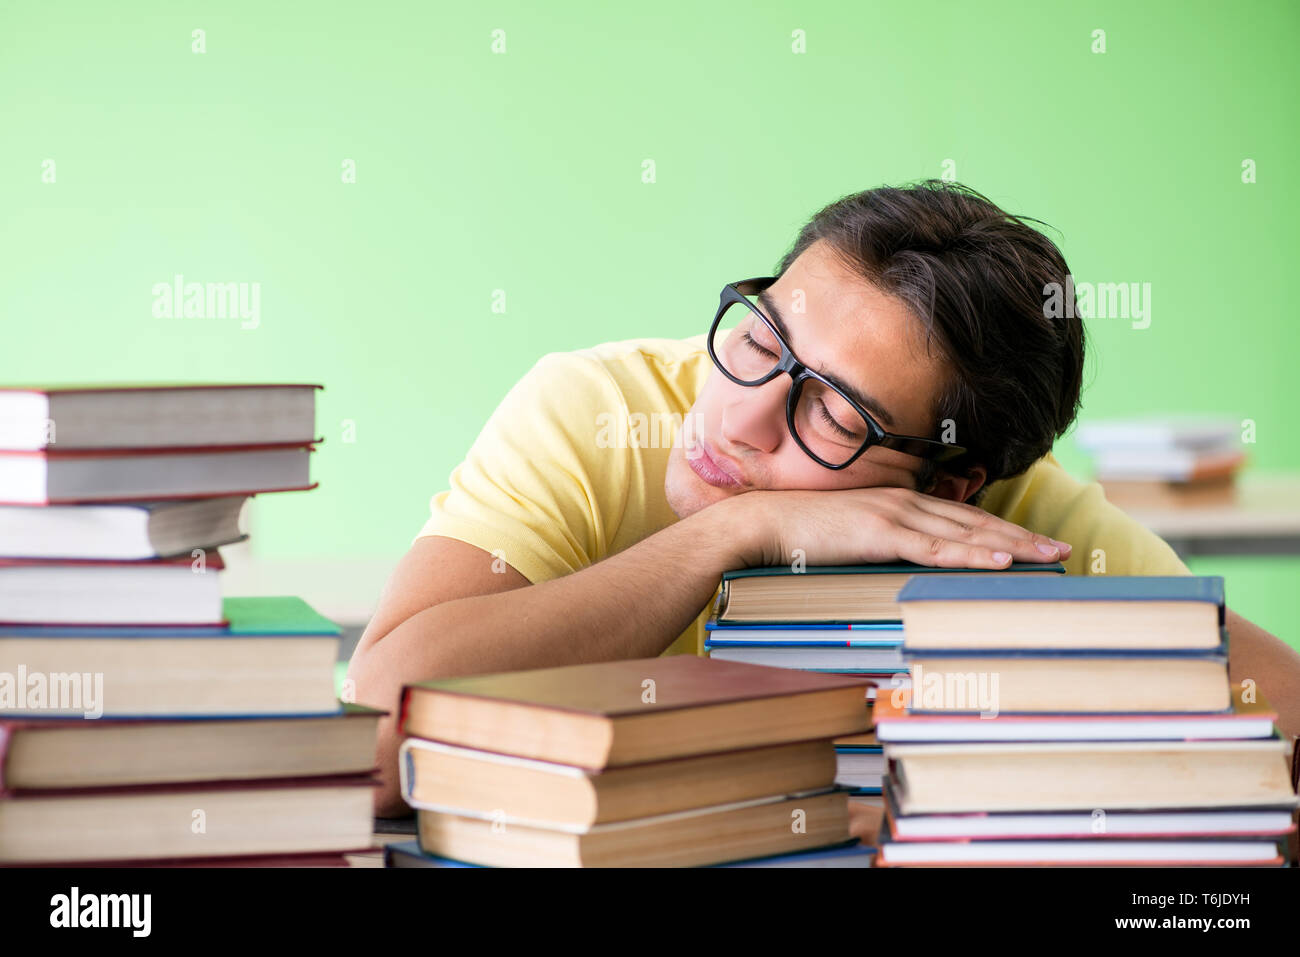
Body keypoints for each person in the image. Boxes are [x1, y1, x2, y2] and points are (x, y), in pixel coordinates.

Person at [348, 180, 1300, 819]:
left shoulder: (1007, 519)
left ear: (951, 482)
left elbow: (1284, 716)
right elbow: (380, 718)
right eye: (763, 341)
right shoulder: (597, 409)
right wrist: (737, 529)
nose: (744, 417)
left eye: (836, 414)